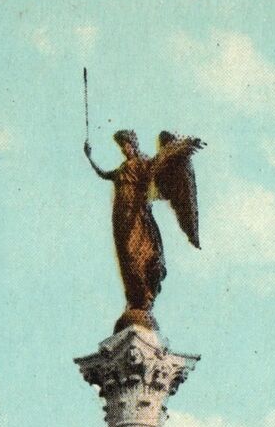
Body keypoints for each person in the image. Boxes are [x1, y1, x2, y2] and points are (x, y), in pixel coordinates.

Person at [84, 129, 203, 330]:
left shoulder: (143, 164)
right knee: (125, 255)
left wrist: (177, 148)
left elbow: (162, 164)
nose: (124, 149)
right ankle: (134, 299)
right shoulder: (123, 168)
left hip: (137, 215)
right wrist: (90, 157)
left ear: (133, 144)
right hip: (121, 216)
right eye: (121, 146)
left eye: (126, 145)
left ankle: (143, 298)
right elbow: (104, 174)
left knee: (136, 253)